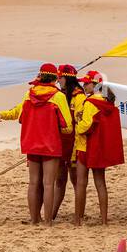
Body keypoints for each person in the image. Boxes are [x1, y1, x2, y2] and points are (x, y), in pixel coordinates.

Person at [0, 63, 73, 226]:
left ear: (40, 76)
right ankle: (47, 222)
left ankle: (34, 219)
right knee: (48, 183)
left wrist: (1, 114)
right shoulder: (58, 97)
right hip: (50, 145)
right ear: (54, 78)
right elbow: (67, 126)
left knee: (33, 183)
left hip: (31, 143)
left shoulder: (29, 94)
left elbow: (17, 112)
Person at [73, 81, 124, 225]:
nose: (84, 86)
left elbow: (85, 126)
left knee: (81, 183)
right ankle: (104, 220)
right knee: (101, 183)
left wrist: (78, 121)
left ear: (94, 86)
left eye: (87, 84)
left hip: (85, 147)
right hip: (99, 148)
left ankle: (78, 220)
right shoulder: (108, 104)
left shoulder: (90, 102)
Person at [50, 64, 81, 219]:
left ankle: (78, 215)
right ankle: (52, 215)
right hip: (60, 144)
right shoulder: (58, 95)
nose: (58, 80)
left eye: (60, 77)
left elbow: (80, 123)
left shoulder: (78, 96)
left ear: (66, 78)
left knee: (76, 181)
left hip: (75, 145)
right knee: (60, 180)